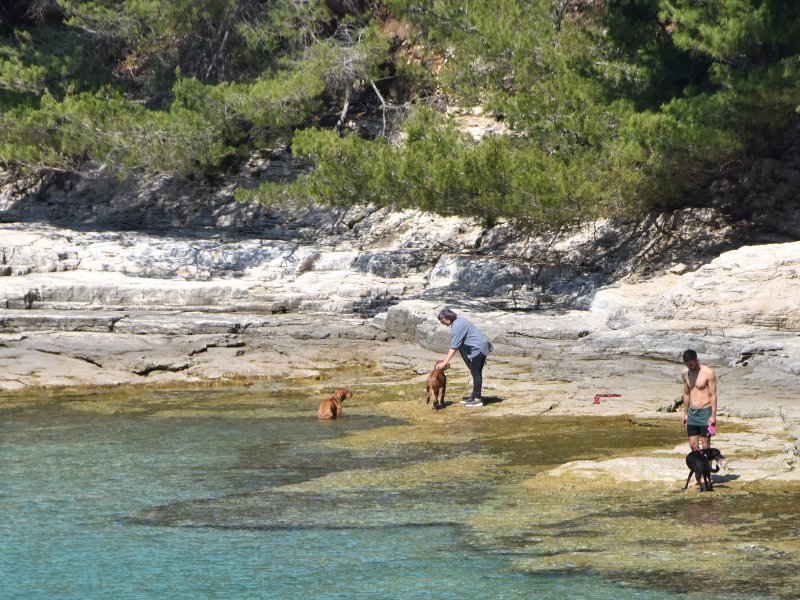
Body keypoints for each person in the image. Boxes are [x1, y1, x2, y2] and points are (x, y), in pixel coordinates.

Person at [435, 308, 493, 407]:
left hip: (478, 348)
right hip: (476, 348)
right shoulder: (459, 321)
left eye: (442, 321)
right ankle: (473, 397)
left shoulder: (457, 326)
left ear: (446, 318)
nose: (442, 323)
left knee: (476, 373)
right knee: (474, 372)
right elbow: (459, 345)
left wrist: (444, 362)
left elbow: (453, 347)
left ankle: (478, 399)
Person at [680, 349, 718, 452]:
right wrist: (685, 413)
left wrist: (713, 415)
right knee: (693, 445)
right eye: (688, 365)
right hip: (692, 413)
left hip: (705, 412)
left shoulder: (708, 372)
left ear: (697, 360)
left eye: (691, 365)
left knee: (706, 445)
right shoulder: (685, 373)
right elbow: (687, 393)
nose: (690, 367)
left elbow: (713, 394)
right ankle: (698, 468)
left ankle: (707, 468)